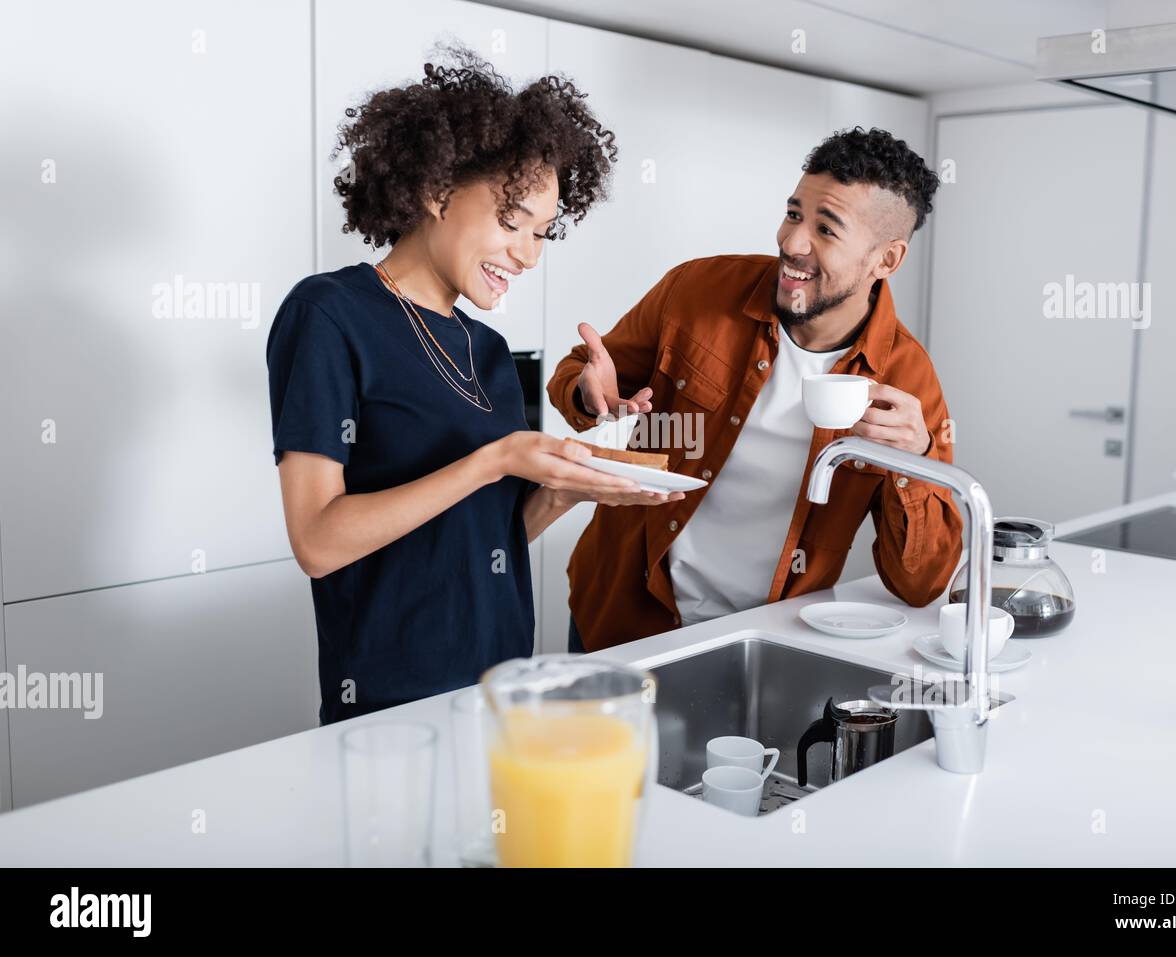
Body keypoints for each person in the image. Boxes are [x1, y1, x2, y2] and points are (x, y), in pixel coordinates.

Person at [266, 48, 679, 724]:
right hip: (390, 705)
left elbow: (493, 534)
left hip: (504, 689)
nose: (527, 253)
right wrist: (494, 459)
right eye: (511, 221)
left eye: (542, 233)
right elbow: (317, 541)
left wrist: (569, 484)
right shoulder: (328, 315)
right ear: (436, 192)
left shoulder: (486, 349)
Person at [548, 126, 964, 653]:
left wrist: (916, 464)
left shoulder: (908, 378)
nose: (792, 243)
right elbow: (584, 369)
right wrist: (590, 394)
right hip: (621, 614)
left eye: (827, 229)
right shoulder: (696, 290)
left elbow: (921, 583)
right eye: (793, 214)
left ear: (886, 260)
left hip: (768, 642)